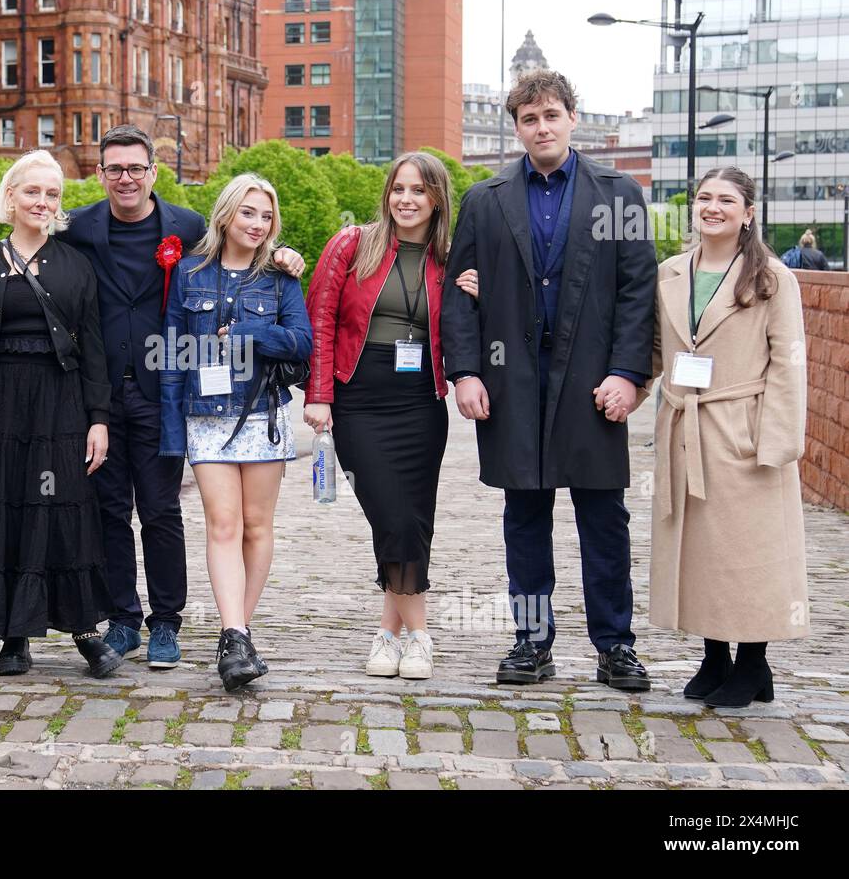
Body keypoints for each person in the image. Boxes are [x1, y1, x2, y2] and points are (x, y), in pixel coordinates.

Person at [0, 126, 305, 668]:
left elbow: (239, 242)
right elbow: (24, 238)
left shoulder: (185, 227)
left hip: (162, 389)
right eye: (114, 169)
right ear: (99, 175)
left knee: (162, 510)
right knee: (108, 510)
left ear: (152, 173)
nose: (126, 178)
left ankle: (167, 621)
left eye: (136, 168)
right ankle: (123, 617)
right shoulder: (78, 227)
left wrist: (280, 252)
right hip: (93, 392)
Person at [442, 69, 658, 691]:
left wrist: (628, 373)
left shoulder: (619, 195)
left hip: (592, 383)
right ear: (517, 127)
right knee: (525, 518)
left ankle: (615, 646)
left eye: (551, 116)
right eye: (529, 119)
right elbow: (461, 293)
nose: (541, 127)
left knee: (603, 519)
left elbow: (637, 293)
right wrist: (465, 372)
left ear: (572, 118)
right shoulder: (485, 199)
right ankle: (531, 644)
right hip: (514, 384)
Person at [0, 150, 122, 678]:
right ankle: (13, 637)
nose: (43, 202)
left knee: (60, 508)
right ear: (10, 197)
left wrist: (98, 418)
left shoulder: (76, 264)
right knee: (4, 510)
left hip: (58, 401)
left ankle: (85, 632)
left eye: (53, 194)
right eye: (33, 191)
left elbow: (94, 349)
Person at [636, 167, 809, 708]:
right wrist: (625, 392)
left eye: (726, 199)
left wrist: (774, 441)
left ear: (748, 212)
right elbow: (657, 353)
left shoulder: (773, 279)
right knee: (700, 548)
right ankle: (714, 656)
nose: (712, 207)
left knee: (750, 552)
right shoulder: (669, 273)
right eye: (704, 197)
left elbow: (788, 363)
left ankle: (754, 662)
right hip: (685, 425)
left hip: (743, 427)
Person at [305, 152, 475, 680]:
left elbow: (476, 329)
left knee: (412, 522)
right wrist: (319, 394)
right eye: (399, 188)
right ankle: (421, 636)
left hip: (421, 404)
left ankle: (388, 635)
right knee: (391, 517)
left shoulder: (451, 259)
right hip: (359, 400)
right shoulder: (352, 244)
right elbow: (322, 317)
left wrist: (481, 297)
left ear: (437, 198)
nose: (406, 199)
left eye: (419, 191)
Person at [160, 173, 312, 691]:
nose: (257, 223)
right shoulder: (188, 275)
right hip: (206, 416)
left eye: (266, 216)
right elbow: (173, 358)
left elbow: (301, 343)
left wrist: (249, 333)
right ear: (226, 215)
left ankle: (237, 635)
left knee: (255, 526)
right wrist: (171, 432)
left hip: (263, 415)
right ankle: (234, 632)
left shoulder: (279, 277)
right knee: (222, 524)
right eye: (248, 212)